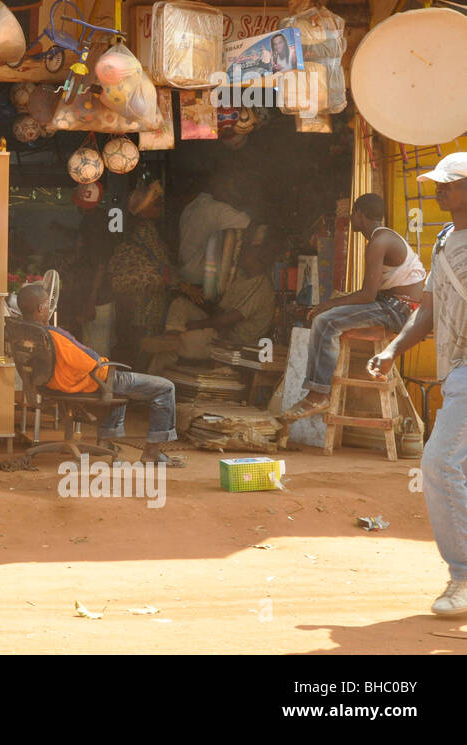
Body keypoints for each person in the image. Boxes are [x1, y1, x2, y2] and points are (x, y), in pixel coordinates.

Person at [370, 153, 467, 616]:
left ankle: (463, 577)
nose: (439, 189)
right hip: (455, 371)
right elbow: (427, 311)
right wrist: (393, 350)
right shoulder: (445, 240)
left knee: (439, 462)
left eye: (449, 183)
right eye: (438, 183)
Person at [281, 193, 426, 422]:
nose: (350, 218)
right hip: (396, 305)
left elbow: (368, 295)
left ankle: (319, 394)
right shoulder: (382, 238)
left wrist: (329, 304)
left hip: (399, 309)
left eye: (352, 214)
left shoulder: (378, 242)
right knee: (330, 315)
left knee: (325, 320)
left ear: (359, 214)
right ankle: (319, 391)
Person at [16, 282, 181, 466]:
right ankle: (152, 454)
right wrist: (105, 363)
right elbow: (91, 361)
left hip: (52, 384)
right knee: (165, 387)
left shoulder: (25, 331)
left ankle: (105, 442)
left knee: (119, 387)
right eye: (47, 303)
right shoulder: (54, 335)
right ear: (40, 308)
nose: (50, 307)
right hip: (90, 381)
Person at [146, 241, 276, 371]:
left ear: (257, 260)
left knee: (169, 350)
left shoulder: (261, 287)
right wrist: (208, 324)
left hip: (230, 343)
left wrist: (198, 325)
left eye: (245, 253)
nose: (239, 255)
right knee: (180, 304)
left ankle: (169, 343)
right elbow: (220, 310)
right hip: (218, 330)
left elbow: (228, 320)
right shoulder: (242, 278)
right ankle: (171, 335)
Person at [107, 180, 173, 366]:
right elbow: (161, 261)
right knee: (144, 341)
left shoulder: (131, 229)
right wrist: (182, 285)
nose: (160, 208)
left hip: (130, 296)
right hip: (146, 299)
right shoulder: (146, 230)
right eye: (156, 204)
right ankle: (139, 378)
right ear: (145, 209)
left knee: (131, 337)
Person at [176, 171, 251, 286]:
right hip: (201, 281)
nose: (232, 190)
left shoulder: (191, 207)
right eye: (230, 185)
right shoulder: (216, 209)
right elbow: (250, 226)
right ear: (219, 185)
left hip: (186, 275)